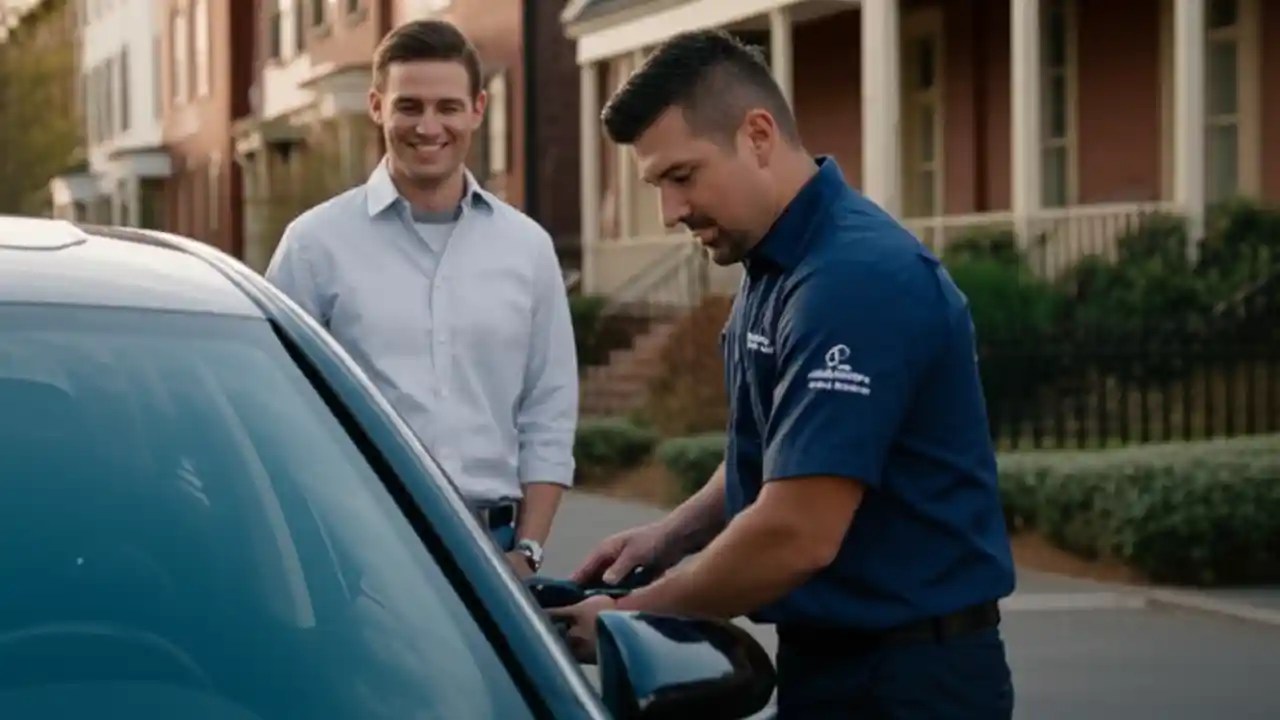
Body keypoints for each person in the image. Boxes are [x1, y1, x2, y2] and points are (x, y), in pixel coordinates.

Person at [550, 29, 1017, 718]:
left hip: (912, 682)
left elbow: (794, 531)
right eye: (657, 185)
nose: (670, 212)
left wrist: (629, 617)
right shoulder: (778, 265)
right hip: (829, 665)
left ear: (759, 135)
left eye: (682, 176)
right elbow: (788, 451)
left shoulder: (853, 279)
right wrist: (670, 536)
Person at [265, 19, 578, 580]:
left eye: (447, 107)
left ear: (478, 109)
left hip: (498, 550)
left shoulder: (527, 248)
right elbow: (276, 409)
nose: (428, 126)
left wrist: (528, 551)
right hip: (356, 545)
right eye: (409, 106)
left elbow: (549, 409)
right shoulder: (313, 246)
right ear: (377, 106)